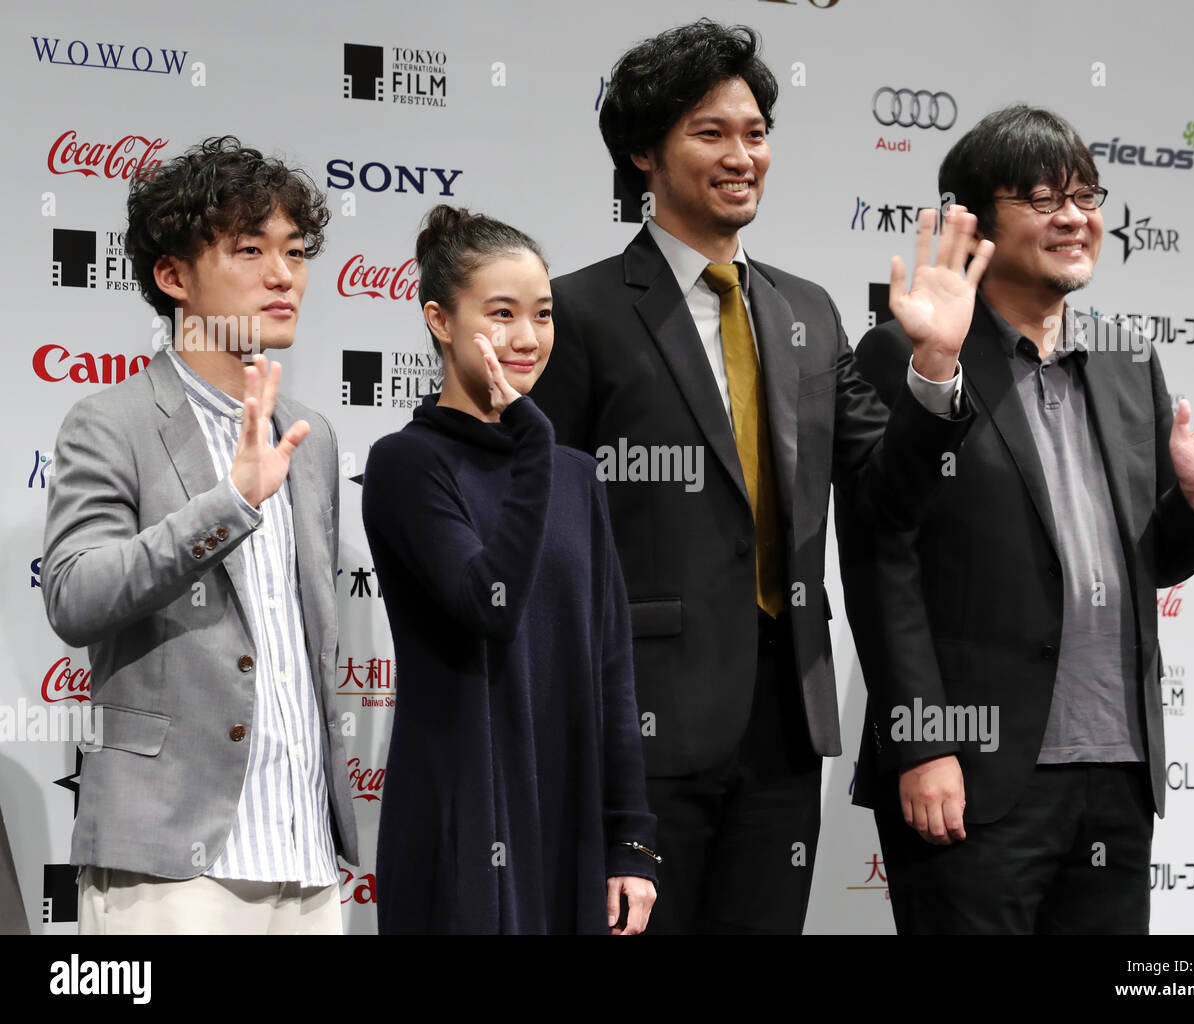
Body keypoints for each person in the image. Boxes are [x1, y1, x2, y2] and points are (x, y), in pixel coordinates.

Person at [529, 20, 992, 933]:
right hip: (639, 731)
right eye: (711, 133)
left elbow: (885, 496)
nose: (743, 156)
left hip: (785, 722)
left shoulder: (806, 312)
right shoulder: (576, 312)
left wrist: (934, 368)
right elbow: (546, 538)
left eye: (756, 133)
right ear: (642, 153)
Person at [838, 105, 1194, 934]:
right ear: (977, 225)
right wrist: (923, 741)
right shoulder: (908, 355)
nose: (1075, 216)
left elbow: (1153, 564)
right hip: (974, 772)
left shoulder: (1124, 355)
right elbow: (878, 551)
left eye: (1086, 193)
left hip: (1116, 770)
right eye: (1042, 198)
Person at [42, 136, 358, 933]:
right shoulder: (108, 422)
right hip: (172, 864)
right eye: (249, 249)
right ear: (174, 276)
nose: (283, 275)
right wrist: (232, 501)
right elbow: (75, 594)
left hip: (307, 857)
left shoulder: (311, 437)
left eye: (293, 251)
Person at [361, 206, 658, 934]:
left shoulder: (573, 475)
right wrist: (531, 438)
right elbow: (487, 601)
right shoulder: (406, 464)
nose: (527, 338)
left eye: (543, 314)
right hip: (464, 809)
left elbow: (611, 666)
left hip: (571, 817)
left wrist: (633, 841)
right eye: (501, 314)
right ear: (440, 320)